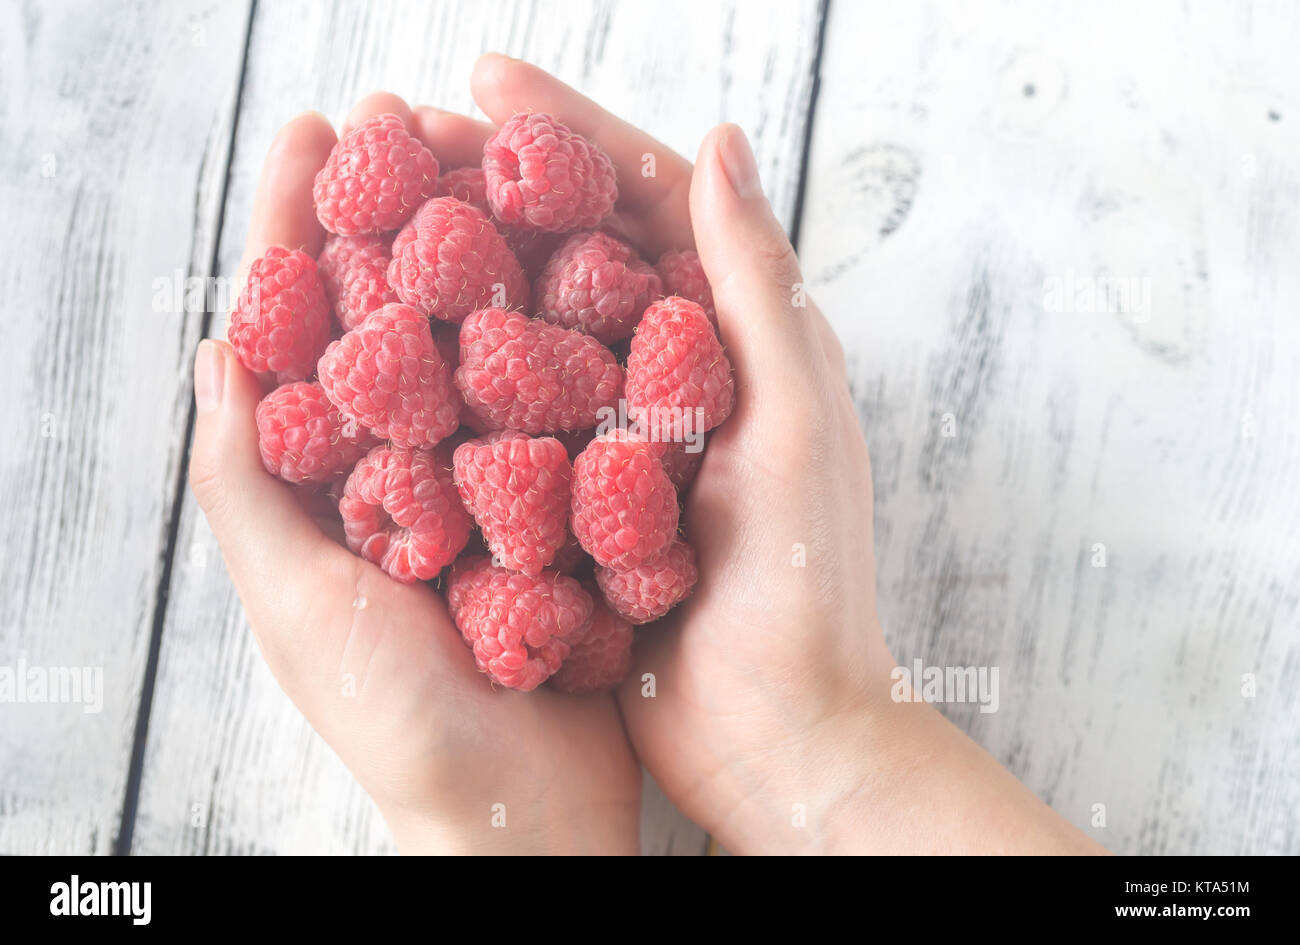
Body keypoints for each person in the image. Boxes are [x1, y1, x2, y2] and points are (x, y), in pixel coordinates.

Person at [188, 53, 1105, 855]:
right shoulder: (455, 407)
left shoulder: (553, 391)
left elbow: (585, 459)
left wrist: (821, 736)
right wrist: (825, 748)